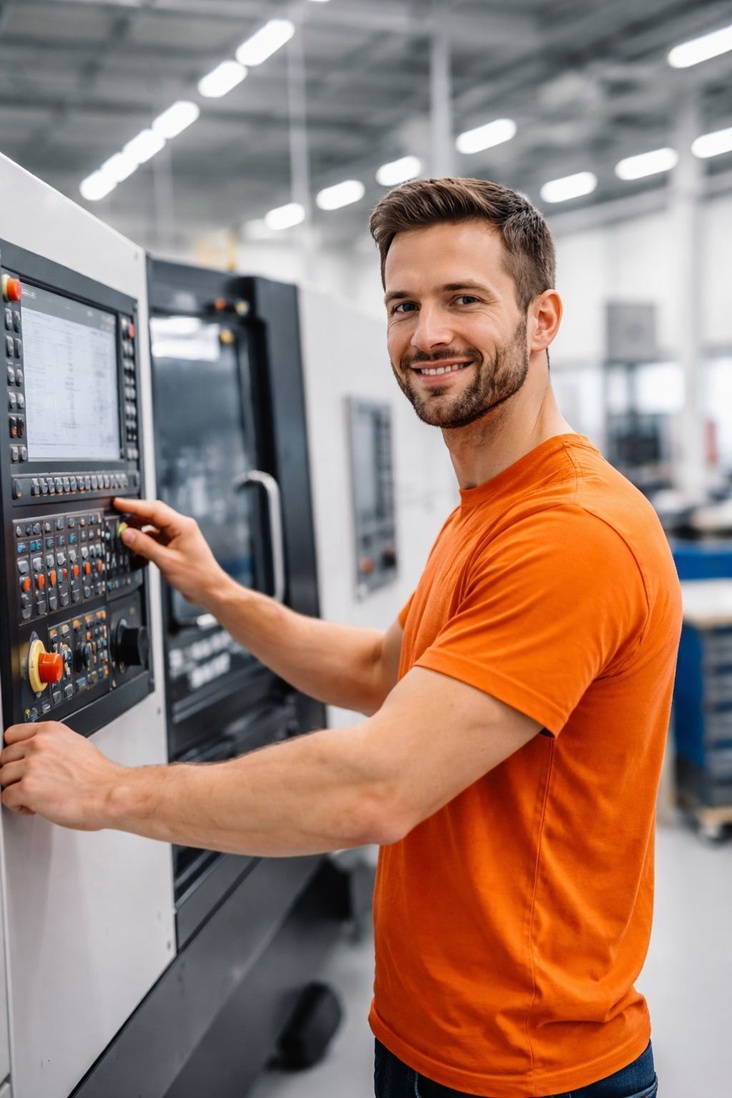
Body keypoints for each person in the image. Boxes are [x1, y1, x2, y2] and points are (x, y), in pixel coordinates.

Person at [0, 178, 679, 1098]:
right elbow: (376, 669)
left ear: (542, 317)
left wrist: (110, 789)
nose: (427, 334)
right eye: (405, 305)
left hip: (527, 1069)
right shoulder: (491, 510)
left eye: (464, 300)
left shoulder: (573, 533)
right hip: (427, 1037)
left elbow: (377, 788)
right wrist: (217, 590)